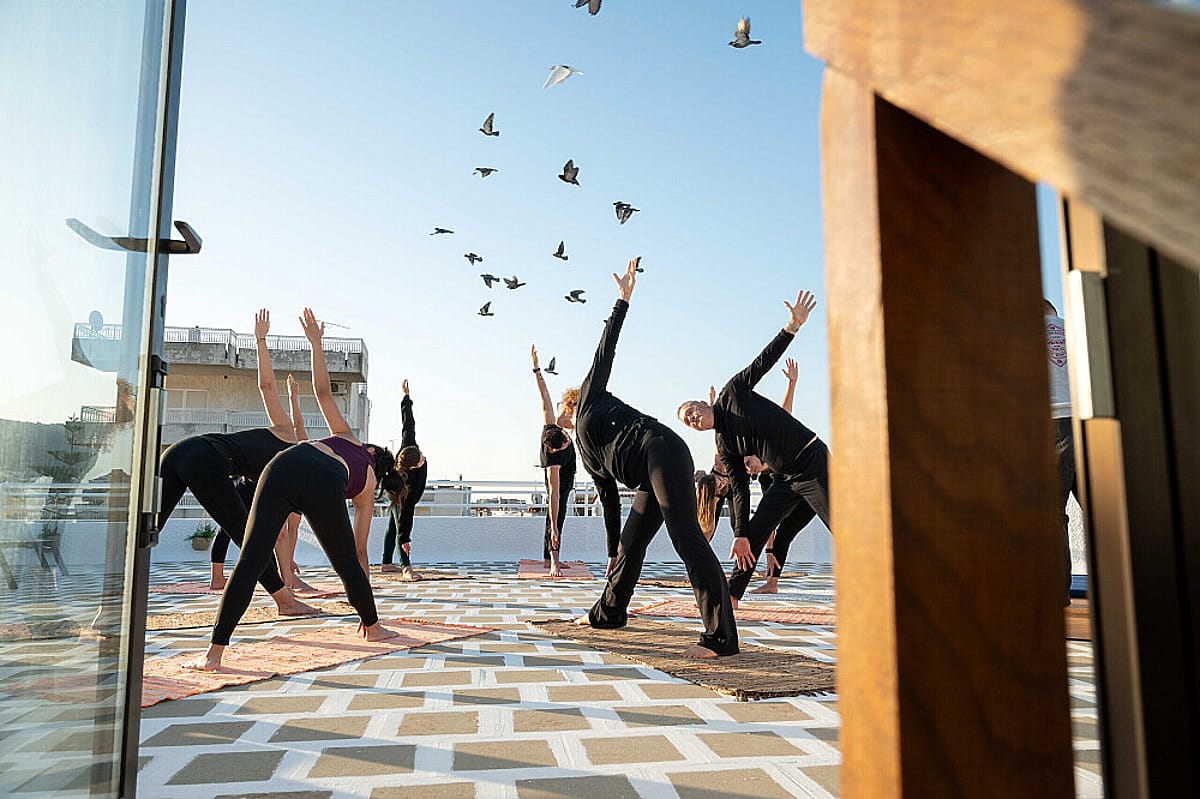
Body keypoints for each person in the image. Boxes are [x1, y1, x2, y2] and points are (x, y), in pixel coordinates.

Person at [193, 308, 399, 671]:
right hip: (320, 478)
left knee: (250, 562)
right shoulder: (367, 481)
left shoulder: (345, 436)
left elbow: (321, 392)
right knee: (346, 563)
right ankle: (373, 627)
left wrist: (316, 344)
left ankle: (214, 653)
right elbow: (359, 553)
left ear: (369, 449)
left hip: (282, 464)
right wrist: (365, 602)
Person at [575, 258, 738, 659]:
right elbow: (608, 498)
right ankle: (609, 612)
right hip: (650, 472)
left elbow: (604, 353)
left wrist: (622, 301)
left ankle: (721, 638)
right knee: (631, 544)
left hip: (661, 448)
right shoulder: (587, 456)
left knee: (685, 536)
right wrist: (612, 546)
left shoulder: (589, 400)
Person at [677, 290, 830, 608]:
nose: (692, 419)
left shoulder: (733, 392)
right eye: (688, 422)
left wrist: (792, 326)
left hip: (813, 461)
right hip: (786, 478)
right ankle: (731, 596)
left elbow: (764, 362)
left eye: (691, 410)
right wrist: (739, 533)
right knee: (755, 530)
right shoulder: (724, 444)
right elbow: (738, 489)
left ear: (705, 403)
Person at [158, 310, 315, 616]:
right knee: (248, 539)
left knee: (148, 529)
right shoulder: (293, 453)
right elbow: (266, 386)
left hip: (181, 451)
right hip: (207, 459)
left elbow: (268, 391)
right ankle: (285, 602)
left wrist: (261, 338)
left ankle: (109, 605)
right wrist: (260, 341)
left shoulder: (284, 434)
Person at [531, 344, 578, 577]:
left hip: (569, 471)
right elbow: (554, 495)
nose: (566, 444)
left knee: (560, 514)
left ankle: (549, 556)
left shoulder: (552, 423)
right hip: (562, 477)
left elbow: (544, 394)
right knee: (556, 516)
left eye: (566, 442)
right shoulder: (553, 462)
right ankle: (553, 561)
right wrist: (556, 565)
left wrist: (536, 368)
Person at [380, 379, 428, 579]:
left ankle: (386, 563)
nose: (424, 458)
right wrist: (406, 538)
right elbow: (406, 515)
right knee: (400, 525)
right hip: (396, 491)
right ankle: (406, 567)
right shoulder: (406, 486)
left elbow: (408, 423)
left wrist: (406, 397)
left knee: (393, 524)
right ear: (412, 466)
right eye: (420, 460)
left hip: (398, 487)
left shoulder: (409, 444)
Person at [1045, 299, 1076, 605]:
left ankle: (1059, 592)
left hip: (1054, 424)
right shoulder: (1073, 331)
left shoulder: (1025, 334)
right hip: (1087, 420)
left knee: (1054, 511)